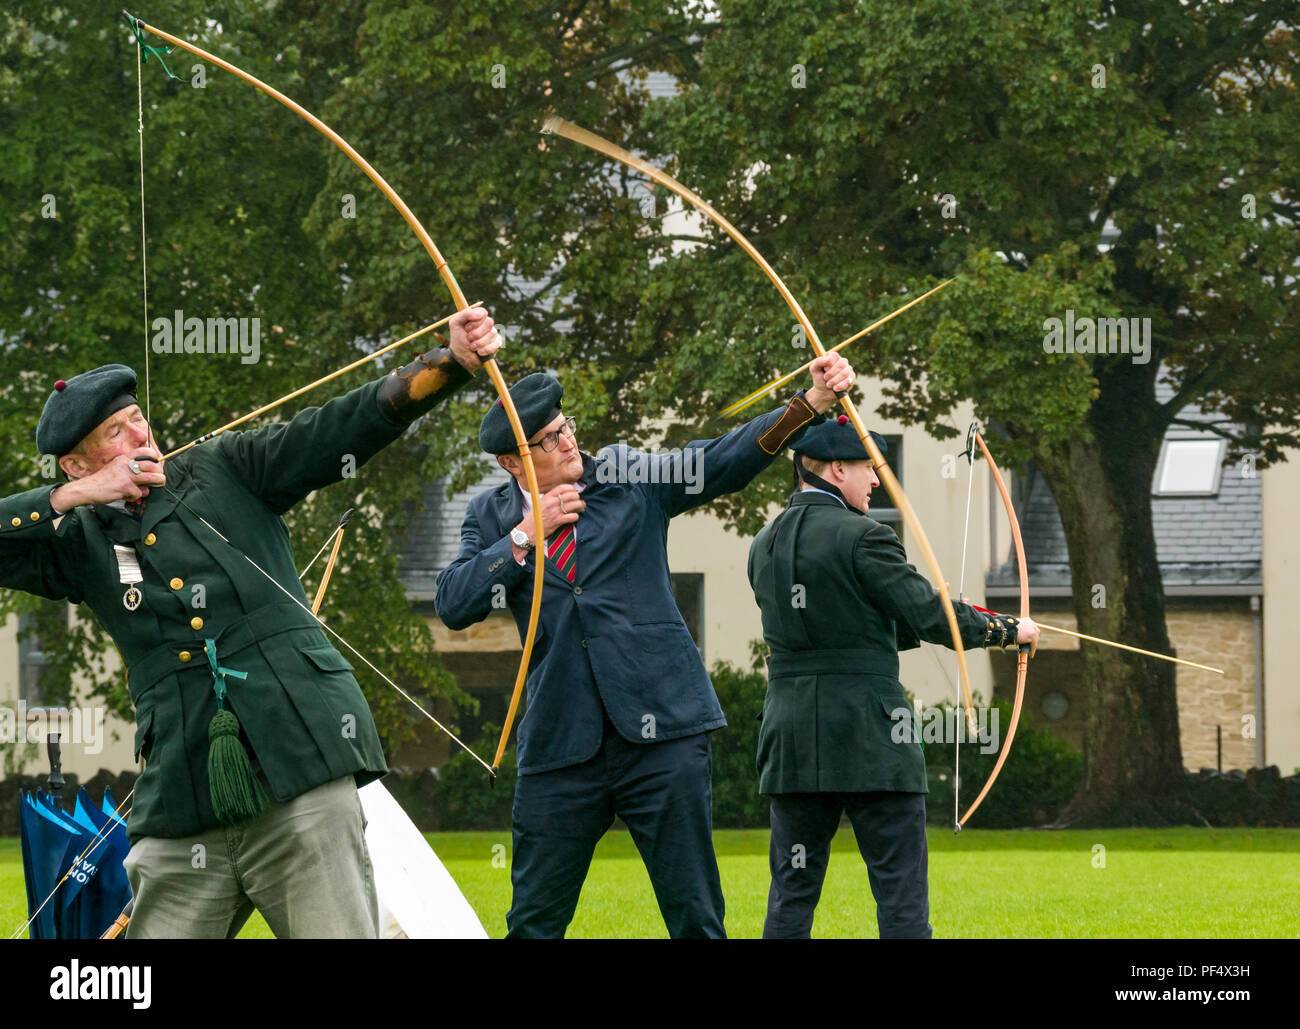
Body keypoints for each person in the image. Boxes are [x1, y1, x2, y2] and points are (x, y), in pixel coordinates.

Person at [0, 308, 500, 938]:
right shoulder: (75, 540)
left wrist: (449, 362)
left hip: (300, 766)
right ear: (76, 465)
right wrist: (70, 500)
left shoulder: (225, 468)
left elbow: (338, 429)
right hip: (182, 798)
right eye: (114, 435)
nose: (138, 439)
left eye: (138, 422)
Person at [434, 353, 856, 938]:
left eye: (565, 427)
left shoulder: (628, 476)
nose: (566, 442)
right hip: (560, 744)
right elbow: (455, 603)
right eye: (547, 440)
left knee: (695, 917)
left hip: (664, 733)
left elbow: (721, 460)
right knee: (533, 921)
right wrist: (526, 537)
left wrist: (807, 407)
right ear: (512, 461)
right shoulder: (491, 516)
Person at [746, 416, 1039, 939]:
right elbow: (934, 620)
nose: (877, 481)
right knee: (900, 894)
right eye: (868, 468)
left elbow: (851, 628)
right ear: (837, 470)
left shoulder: (762, 543)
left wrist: (928, 604)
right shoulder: (866, 535)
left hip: (791, 737)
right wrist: (1008, 630)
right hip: (870, 735)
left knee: (790, 896)